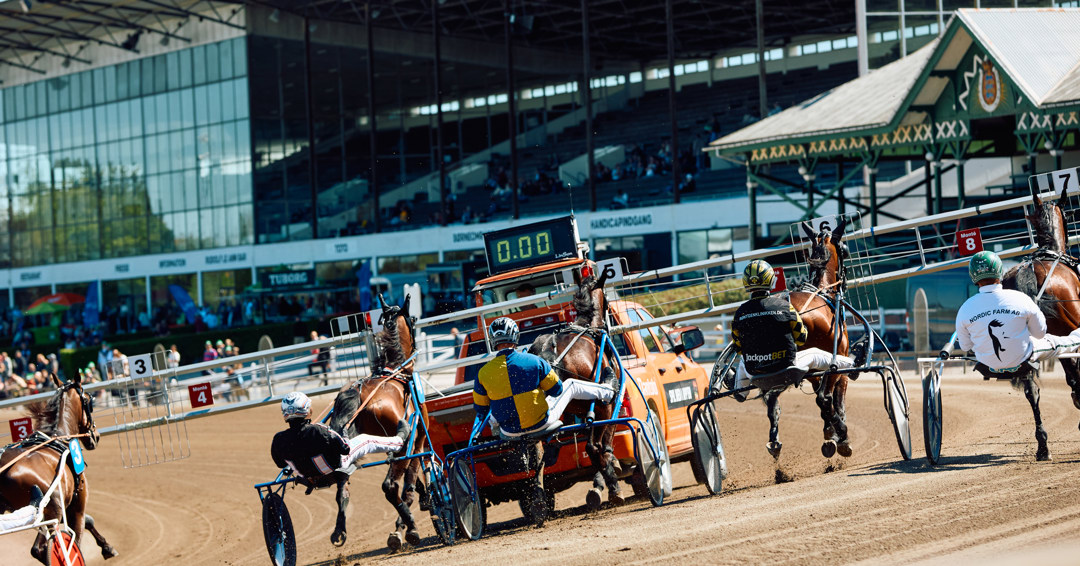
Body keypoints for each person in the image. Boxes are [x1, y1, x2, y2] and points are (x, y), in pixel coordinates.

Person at [729, 260, 856, 399]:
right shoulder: (784, 306)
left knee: (743, 361)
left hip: (755, 373)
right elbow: (801, 338)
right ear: (771, 280)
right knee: (815, 354)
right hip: (785, 368)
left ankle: (740, 391)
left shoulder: (739, 313)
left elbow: (739, 347)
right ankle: (852, 365)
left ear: (746, 283)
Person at [473, 318, 615, 437]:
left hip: (508, 431)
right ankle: (608, 391)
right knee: (571, 384)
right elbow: (556, 390)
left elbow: (481, 408)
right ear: (515, 337)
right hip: (540, 424)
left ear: (493, 341)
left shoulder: (482, 373)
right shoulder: (534, 361)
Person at [950, 251, 1080, 374]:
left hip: (987, 364)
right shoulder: (1021, 298)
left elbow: (966, 346)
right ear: (1000, 272)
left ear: (973, 276)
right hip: (1023, 358)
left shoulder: (965, 309)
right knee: (1062, 341)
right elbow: (1040, 334)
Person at [271, 392, 409, 482]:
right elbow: (345, 449)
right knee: (366, 440)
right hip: (332, 467)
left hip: (305, 475)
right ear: (308, 410)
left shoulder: (278, 439)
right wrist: (344, 434)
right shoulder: (320, 430)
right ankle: (399, 441)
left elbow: (281, 464)